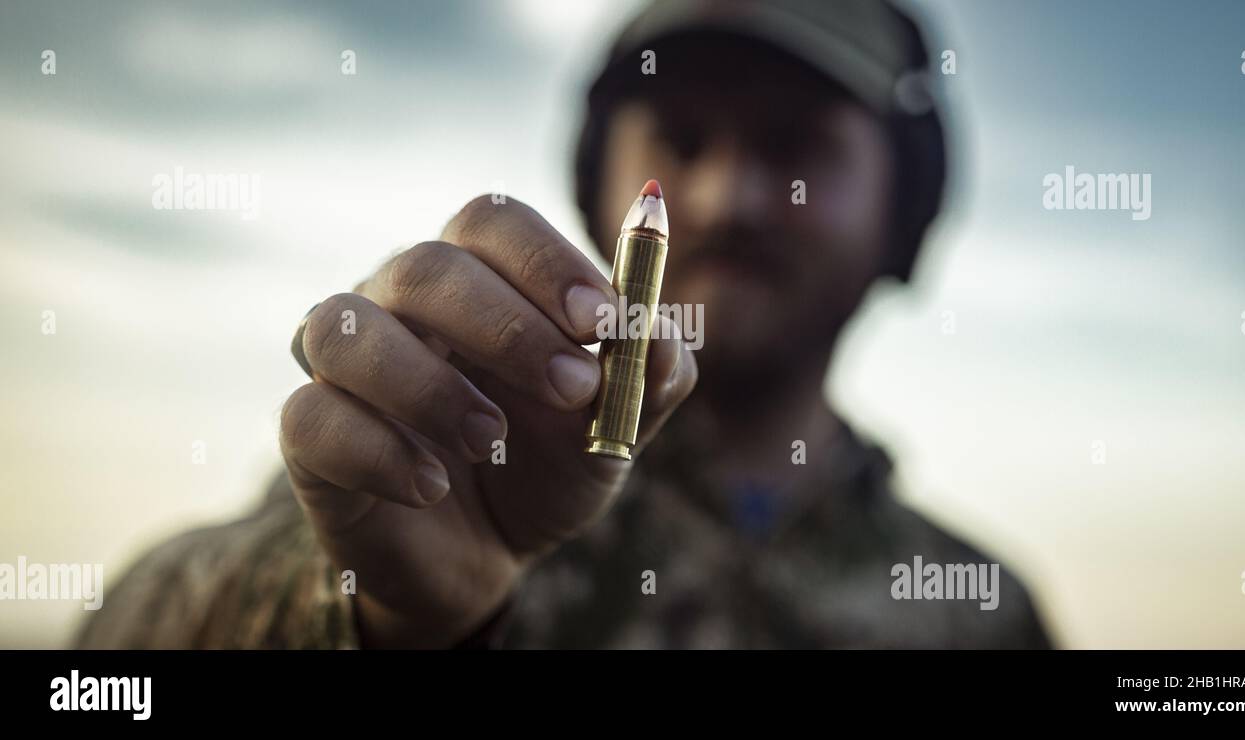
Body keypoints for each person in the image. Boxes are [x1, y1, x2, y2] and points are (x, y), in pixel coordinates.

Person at [78, 0, 1052, 649]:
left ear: (905, 207)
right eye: (680, 138)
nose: (725, 197)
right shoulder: (452, 471)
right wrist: (376, 615)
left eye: (795, 145)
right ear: (596, 191)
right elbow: (105, 658)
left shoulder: (982, 610)